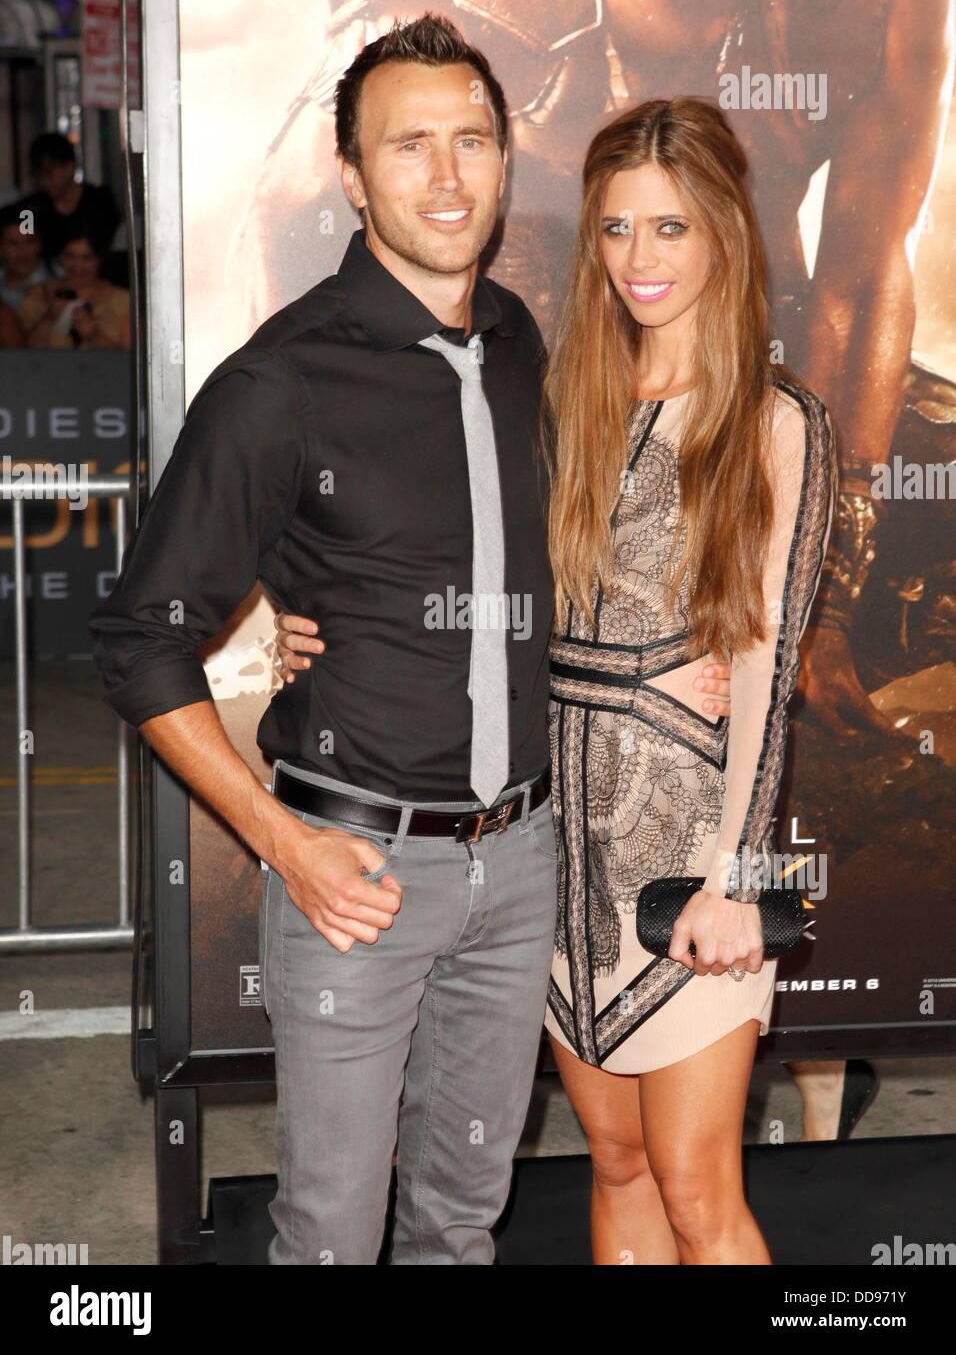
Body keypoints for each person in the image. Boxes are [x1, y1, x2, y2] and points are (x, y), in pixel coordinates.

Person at [88, 13, 732, 1266]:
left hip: (523, 861)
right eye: (408, 145)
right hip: (359, 878)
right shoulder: (280, 380)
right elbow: (140, 640)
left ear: (503, 159)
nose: (446, 176)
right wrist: (282, 841)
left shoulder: (522, 346)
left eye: (471, 141)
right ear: (350, 174)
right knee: (329, 1234)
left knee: (460, 1222)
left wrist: (666, 666)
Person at [277, 92, 837, 1264]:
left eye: (672, 228)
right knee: (618, 1164)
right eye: (618, 228)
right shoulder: (562, 397)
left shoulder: (772, 423)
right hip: (551, 865)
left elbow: (766, 669)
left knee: (696, 1190)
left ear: (725, 233)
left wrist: (736, 881)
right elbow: (443, 543)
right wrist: (312, 615)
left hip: (691, 865)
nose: (640, 259)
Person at [20, 224, 130, 350]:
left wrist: (93, 335)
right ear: (60, 256)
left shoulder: (124, 301)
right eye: (69, 256)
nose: (77, 266)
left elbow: (129, 359)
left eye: (87, 258)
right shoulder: (37, 295)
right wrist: (49, 318)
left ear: (100, 258)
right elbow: (21, 353)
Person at [24, 132, 122, 273]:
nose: (43, 181)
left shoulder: (100, 200)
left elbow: (106, 244)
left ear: (69, 167)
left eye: (49, 174)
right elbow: (22, 239)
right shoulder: (30, 209)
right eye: (38, 175)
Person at [0, 203, 51, 315]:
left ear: (40, 243)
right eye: (13, 243)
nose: (22, 252)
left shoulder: (56, 281)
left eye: (29, 242)